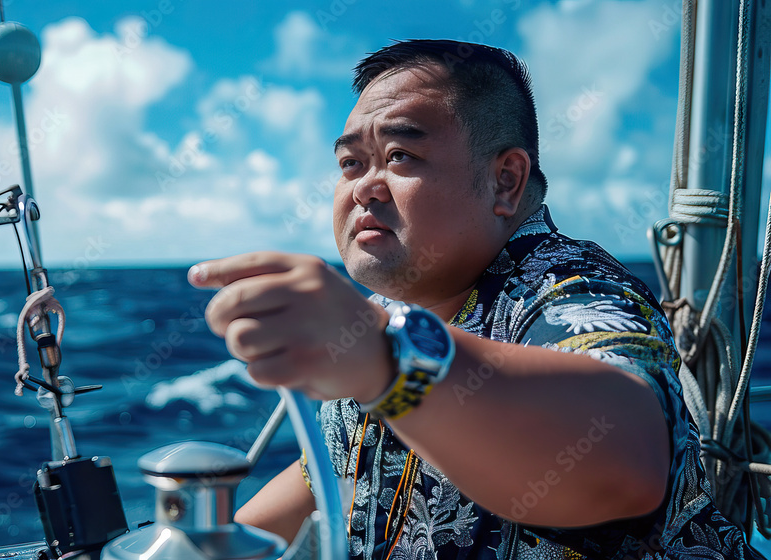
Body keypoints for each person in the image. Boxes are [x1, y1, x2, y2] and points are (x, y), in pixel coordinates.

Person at [188, 40, 765, 559]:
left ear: (505, 181)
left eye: (399, 155)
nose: (363, 186)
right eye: (350, 164)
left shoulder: (571, 290)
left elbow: (627, 463)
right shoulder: (384, 320)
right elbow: (326, 480)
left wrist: (387, 362)